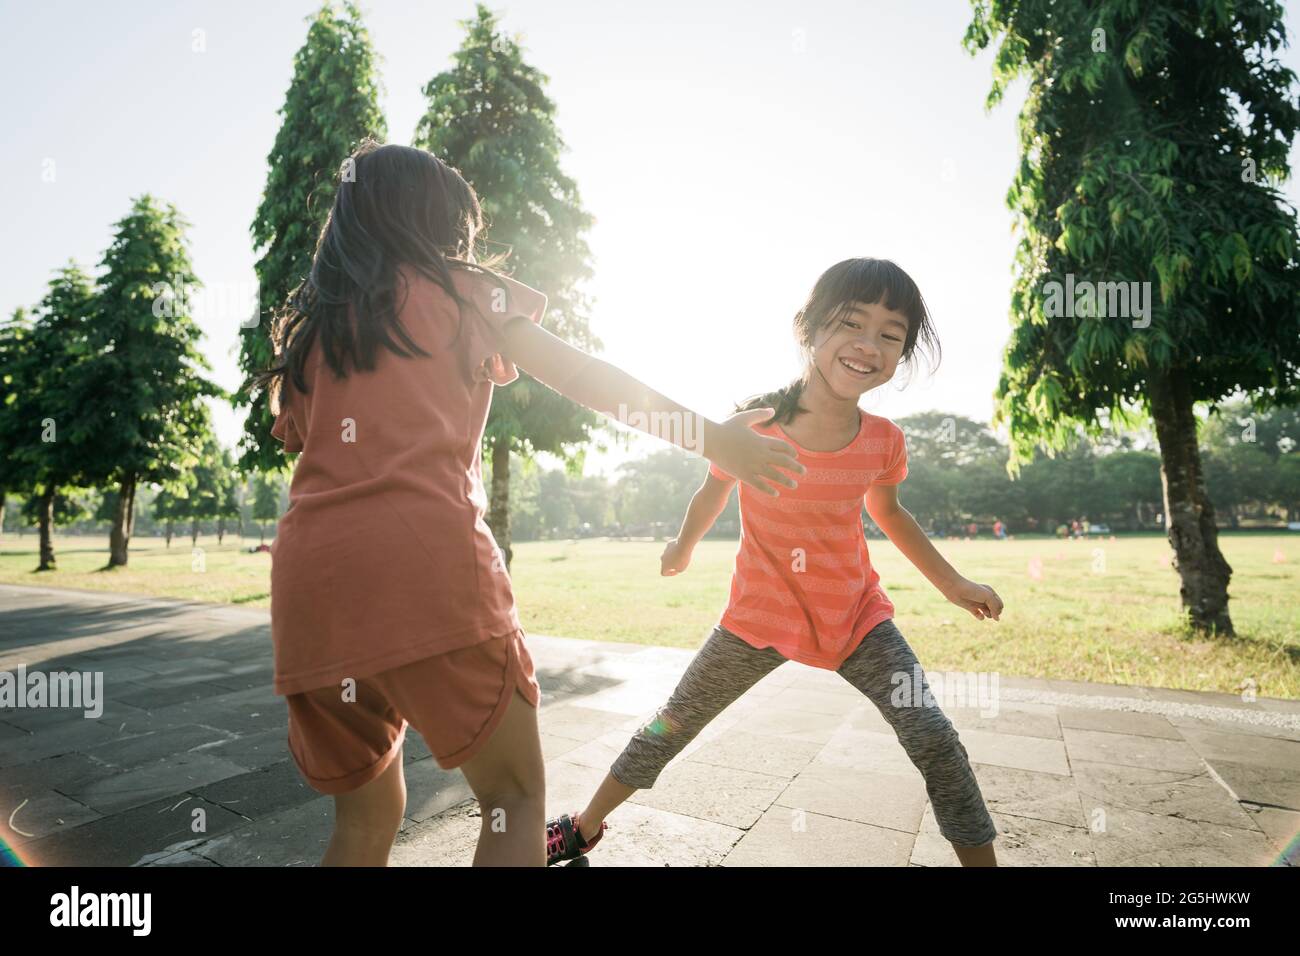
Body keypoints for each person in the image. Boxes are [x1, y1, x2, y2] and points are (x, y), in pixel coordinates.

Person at [256, 140, 805, 866]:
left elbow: (308, 440)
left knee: (364, 817)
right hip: (425, 563)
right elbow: (587, 378)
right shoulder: (461, 292)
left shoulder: (314, 334)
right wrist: (715, 442)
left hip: (310, 591)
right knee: (514, 799)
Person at [545, 258, 1003, 867]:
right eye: (851, 323)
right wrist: (683, 545)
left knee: (934, 738)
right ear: (809, 329)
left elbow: (890, 515)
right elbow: (713, 490)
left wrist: (953, 583)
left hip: (856, 616)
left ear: (902, 353)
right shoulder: (753, 429)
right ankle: (583, 824)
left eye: (890, 335)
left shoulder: (883, 441)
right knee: (672, 724)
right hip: (758, 617)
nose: (869, 345)